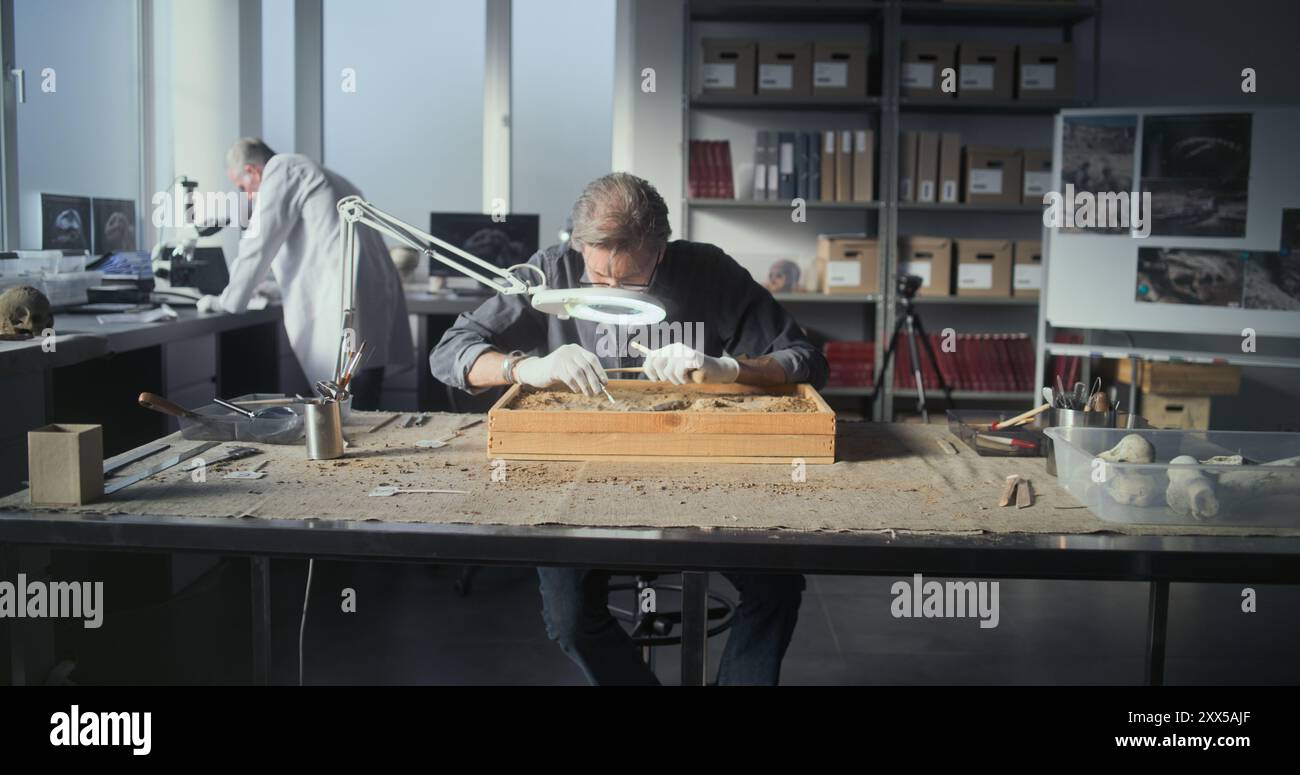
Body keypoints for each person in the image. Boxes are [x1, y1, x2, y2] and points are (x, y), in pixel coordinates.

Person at [429, 172, 827, 685]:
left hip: (696, 465)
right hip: (578, 476)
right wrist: (524, 368)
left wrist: (729, 369)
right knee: (569, 619)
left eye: (630, 283)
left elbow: (806, 359)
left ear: (659, 249)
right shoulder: (550, 271)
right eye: (598, 282)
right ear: (578, 249)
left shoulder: (707, 271)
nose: (613, 297)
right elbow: (450, 353)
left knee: (777, 585)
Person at [197, 138, 412, 409]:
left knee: (351, 412)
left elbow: (258, 242)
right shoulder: (326, 176)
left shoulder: (282, 169)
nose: (247, 196)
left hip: (347, 302)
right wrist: (271, 289)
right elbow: (315, 255)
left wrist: (226, 301)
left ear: (252, 171)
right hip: (369, 296)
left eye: (242, 188)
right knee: (363, 402)